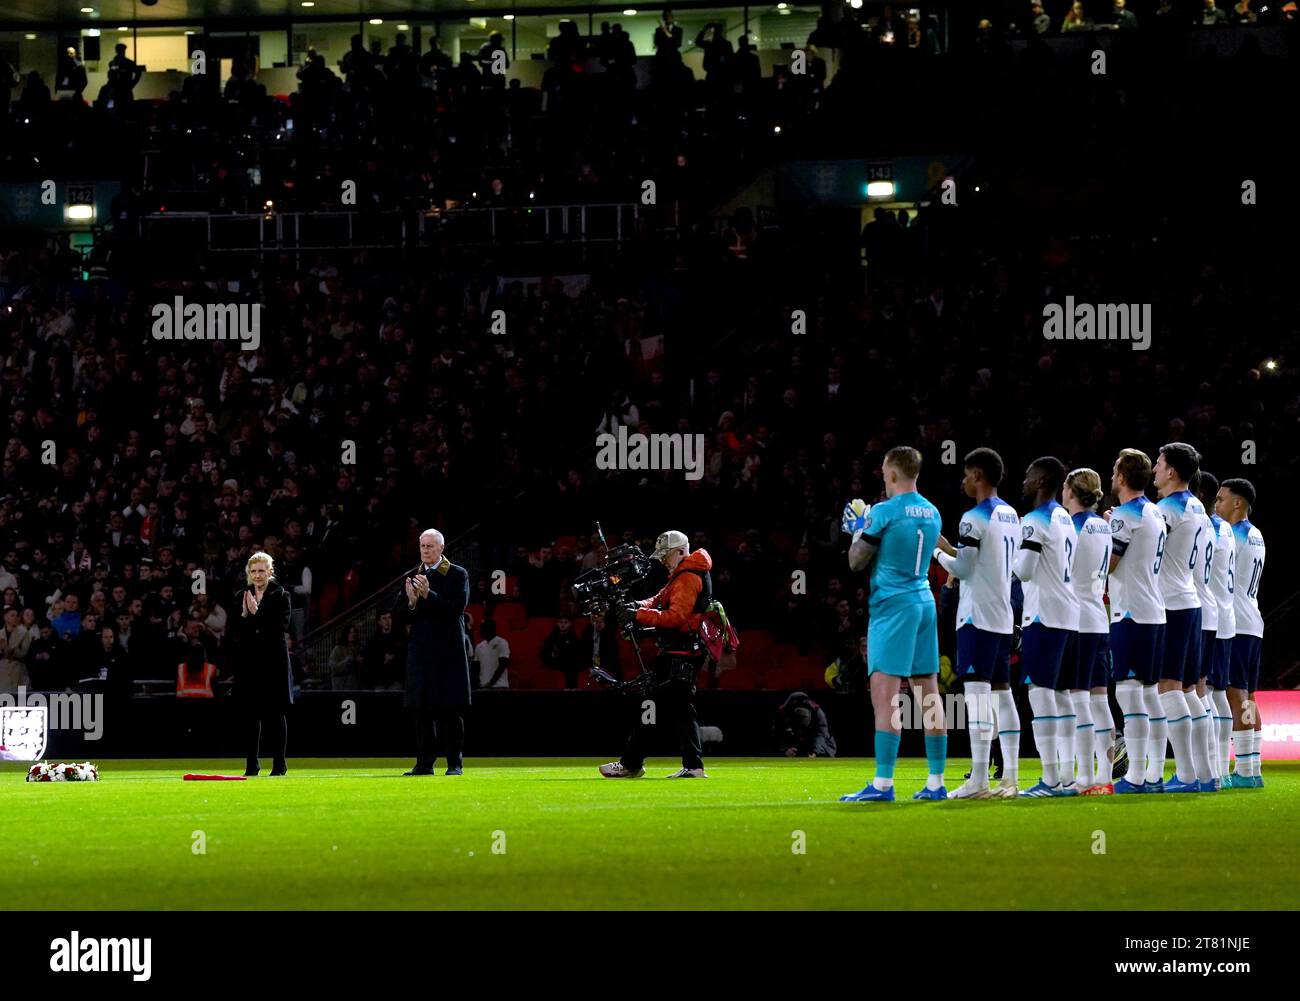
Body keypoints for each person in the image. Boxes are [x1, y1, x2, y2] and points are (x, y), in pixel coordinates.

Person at [838, 446, 947, 802]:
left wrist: (857, 531)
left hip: (892, 606)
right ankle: (936, 782)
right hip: (925, 602)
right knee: (929, 695)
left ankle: (883, 784)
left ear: (895, 474)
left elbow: (856, 562)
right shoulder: (932, 512)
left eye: (885, 473)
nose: (883, 479)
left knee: (885, 699)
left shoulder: (884, 512)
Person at [933, 447, 1021, 798]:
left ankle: (979, 780)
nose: (964, 480)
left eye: (967, 474)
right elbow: (985, 562)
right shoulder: (1011, 515)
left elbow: (965, 570)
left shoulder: (973, 516)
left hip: (976, 617)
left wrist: (937, 554)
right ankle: (1010, 778)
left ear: (979, 477)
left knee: (978, 699)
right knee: (1004, 696)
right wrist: (952, 548)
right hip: (1002, 616)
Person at [598, 530, 712, 779]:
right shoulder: (684, 574)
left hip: (680, 654)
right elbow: (659, 599)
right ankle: (640, 762)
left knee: (665, 708)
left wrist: (636, 615)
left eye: (665, 555)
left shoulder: (688, 577)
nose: (662, 561)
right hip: (680, 652)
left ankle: (635, 763)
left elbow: (676, 617)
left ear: (680, 552)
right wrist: (637, 606)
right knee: (669, 709)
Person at [1012, 457, 1082, 797]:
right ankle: (1067, 776)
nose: (1024, 481)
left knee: (1040, 694)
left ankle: (1051, 778)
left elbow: (1024, 570)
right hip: (1070, 614)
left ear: (1041, 481)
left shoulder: (1035, 520)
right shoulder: (1065, 517)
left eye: (1028, 475)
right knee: (1063, 695)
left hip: (1043, 616)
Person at [1151, 442, 1212, 792]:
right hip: (1191, 602)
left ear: (1172, 471)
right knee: (1190, 690)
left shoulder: (1166, 510)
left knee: (1168, 687)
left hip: (1171, 604)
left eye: (1159, 464)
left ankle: (1188, 775)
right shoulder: (1198, 508)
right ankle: (1206, 774)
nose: (1156, 470)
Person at [1107, 449, 1168, 794]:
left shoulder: (1123, 518)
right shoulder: (1154, 512)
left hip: (1130, 612)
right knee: (1149, 695)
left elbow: (1110, 564)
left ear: (1121, 477)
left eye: (1116, 471)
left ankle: (1136, 777)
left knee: (1131, 697)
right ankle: (1154, 773)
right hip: (1154, 611)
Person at [397, 529, 471, 775]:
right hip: (421, 651)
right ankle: (424, 763)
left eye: (429, 546)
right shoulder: (413, 575)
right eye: (422, 546)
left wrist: (429, 595)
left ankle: (454, 763)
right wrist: (411, 602)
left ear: (441, 548)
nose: (425, 550)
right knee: (422, 710)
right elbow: (399, 615)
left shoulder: (457, 574)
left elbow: (455, 610)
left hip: (448, 652)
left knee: (450, 710)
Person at [1063, 468, 1116, 794]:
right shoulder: (1104, 526)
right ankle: (1104, 777)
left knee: (1078, 698)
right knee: (1100, 700)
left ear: (1071, 491)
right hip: (1099, 618)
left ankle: (1083, 778)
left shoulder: (1072, 527)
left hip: (1078, 620)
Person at [1218, 478, 1265, 787]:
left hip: (1236, 622)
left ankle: (1245, 772)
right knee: (1247, 697)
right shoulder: (1256, 534)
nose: (1217, 505)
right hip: (1253, 621)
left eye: (1221, 500)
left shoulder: (1232, 537)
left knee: (1235, 695)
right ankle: (1253, 768)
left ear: (1238, 503)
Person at [231, 551, 292, 776]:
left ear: (270, 571)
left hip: (273, 661)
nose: (257, 575)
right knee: (250, 714)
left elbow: (279, 628)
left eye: (261, 570)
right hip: (249, 662)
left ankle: (279, 763)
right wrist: (246, 617)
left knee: (275, 714)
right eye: (253, 571)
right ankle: (251, 763)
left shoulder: (281, 594)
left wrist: (257, 614)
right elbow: (235, 632)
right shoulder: (241, 595)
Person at [1194, 472, 1236, 786]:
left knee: (1205, 691)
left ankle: (1212, 768)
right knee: (1214, 692)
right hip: (1222, 614)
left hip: (1209, 615)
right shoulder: (1225, 529)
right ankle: (1215, 768)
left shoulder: (1204, 525)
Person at [775, 691, 837, 757]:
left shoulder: (818, 713)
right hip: (793, 740)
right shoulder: (782, 712)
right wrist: (786, 750)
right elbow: (779, 734)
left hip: (815, 740)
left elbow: (821, 734)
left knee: (826, 751)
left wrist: (815, 751)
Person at [540, 615, 584, 689]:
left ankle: (571, 689)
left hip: (569, 662)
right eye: (560, 622)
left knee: (571, 665)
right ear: (557, 623)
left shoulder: (573, 637)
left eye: (565, 622)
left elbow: (577, 653)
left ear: (570, 624)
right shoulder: (552, 637)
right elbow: (545, 652)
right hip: (556, 661)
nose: (563, 625)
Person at [473, 618, 511, 689]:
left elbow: (503, 665)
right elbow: (476, 668)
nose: (480, 631)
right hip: (483, 686)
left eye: (483, 628)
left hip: (500, 686)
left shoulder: (502, 642)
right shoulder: (479, 646)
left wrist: (491, 683)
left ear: (490, 629)